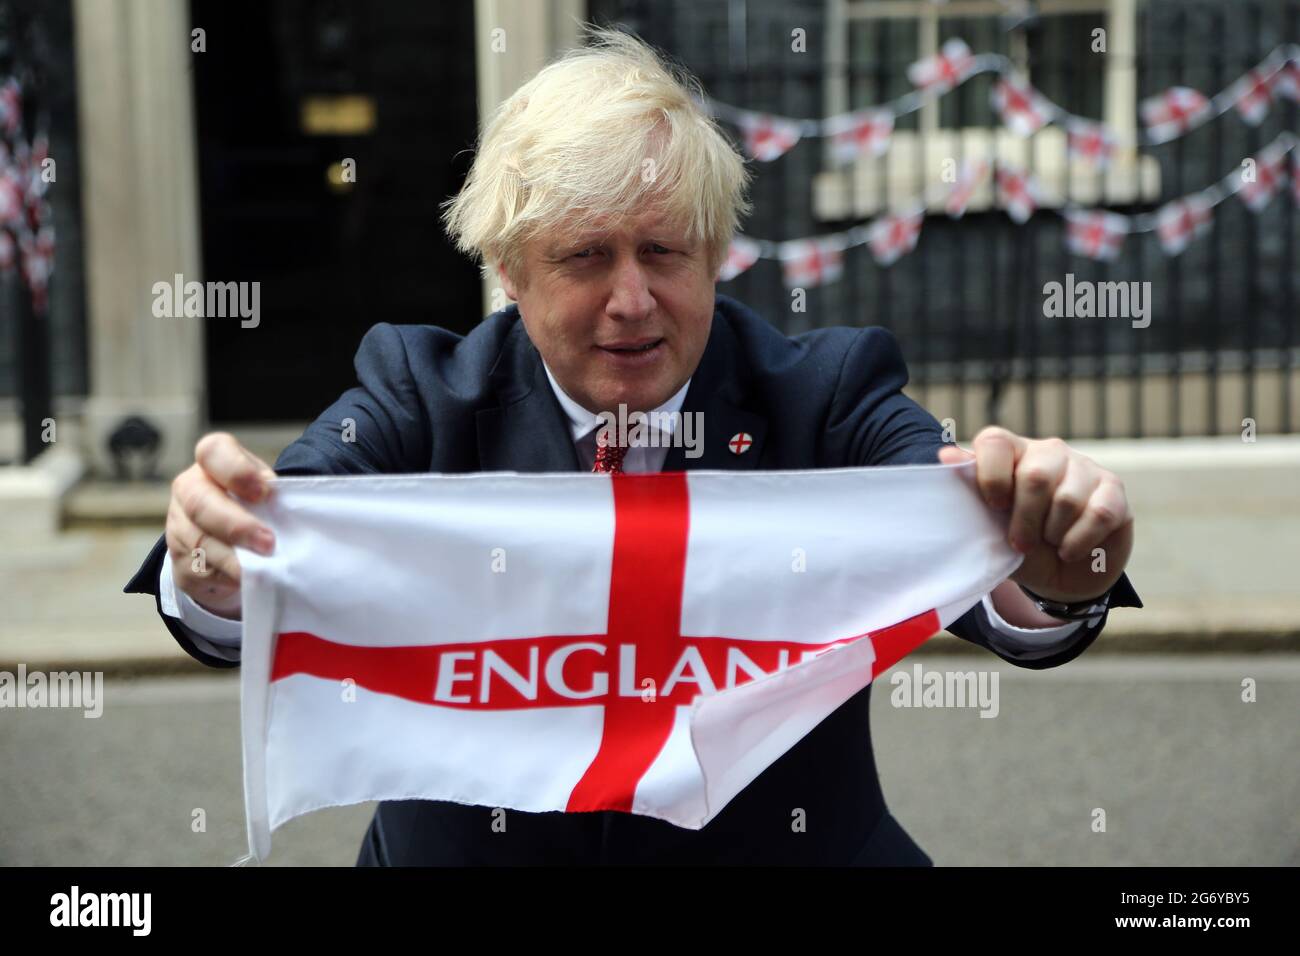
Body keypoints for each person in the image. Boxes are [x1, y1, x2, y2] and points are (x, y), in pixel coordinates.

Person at [126, 27, 1141, 865]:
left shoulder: (824, 394)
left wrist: (1054, 565)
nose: (630, 299)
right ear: (508, 270)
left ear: (715, 253)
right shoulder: (417, 392)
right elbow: (268, 546)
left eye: (664, 251)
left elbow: (973, 551)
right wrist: (213, 559)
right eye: (583, 257)